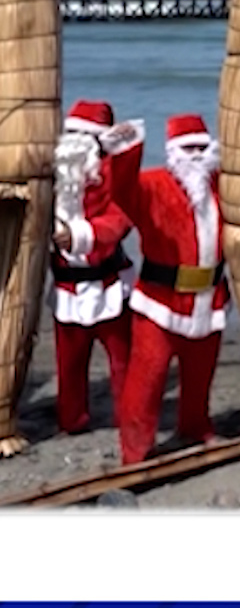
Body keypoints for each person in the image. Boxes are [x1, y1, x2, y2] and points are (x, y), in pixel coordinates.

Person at [103, 113, 228, 464]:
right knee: (147, 379)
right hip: (160, 303)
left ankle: (196, 427)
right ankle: (135, 450)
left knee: (200, 375)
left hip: (210, 301)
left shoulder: (221, 186)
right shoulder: (152, 184)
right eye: (188, 148)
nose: (196, 156)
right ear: (172, 151)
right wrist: (124, 149)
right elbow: (122, 190)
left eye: (202, 148)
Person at [51, 98, 133, 434]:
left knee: (123, 360)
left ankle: (127, 417)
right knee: (69, 363)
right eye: (71, 133)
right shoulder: (51, 175)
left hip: (109, 283)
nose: (75, 141)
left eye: (84, 135)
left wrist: (82, 235)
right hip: (66, 287)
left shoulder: (112, 173)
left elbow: (122, 217)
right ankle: (72, 419)